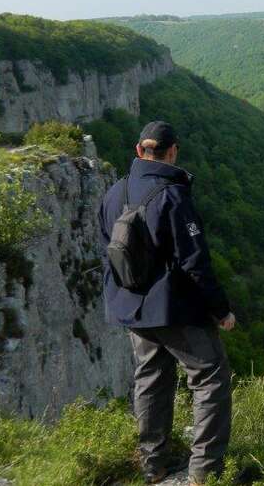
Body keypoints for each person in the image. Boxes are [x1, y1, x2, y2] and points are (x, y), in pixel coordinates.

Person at [99, 120, 236, 485]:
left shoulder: (115, 192)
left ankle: (153, 464)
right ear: (173, 151)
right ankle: (204, 472)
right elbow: (194, 262)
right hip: (174, 309)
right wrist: (221, 310)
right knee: (210, 377)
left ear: (138, 150)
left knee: (150, 379)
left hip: (132, 307)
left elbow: (107, 247)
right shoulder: (172, 196)